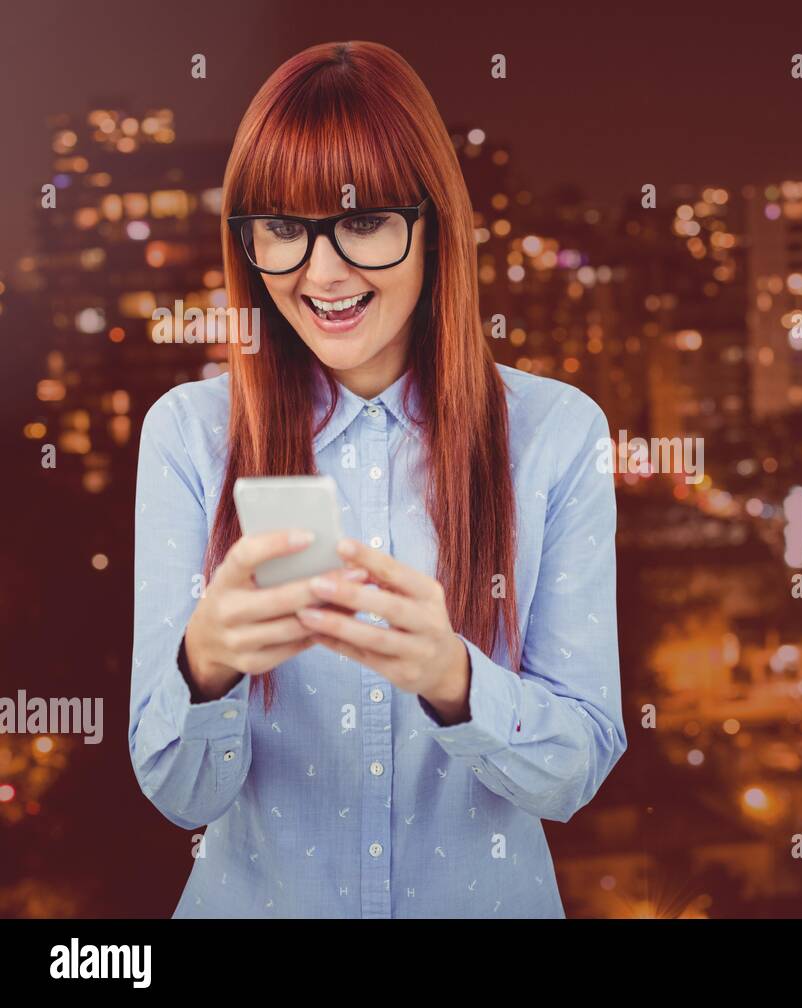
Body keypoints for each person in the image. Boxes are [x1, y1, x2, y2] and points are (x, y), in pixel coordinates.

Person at [127, 40, 626, 918]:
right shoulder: (189, 436)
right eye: (283, 228)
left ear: (434, 225)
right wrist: (205, 665)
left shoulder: (556, 434)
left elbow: (577, 768)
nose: (321, 273)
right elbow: (180, 798)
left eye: (362, 222)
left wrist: (452, 676)